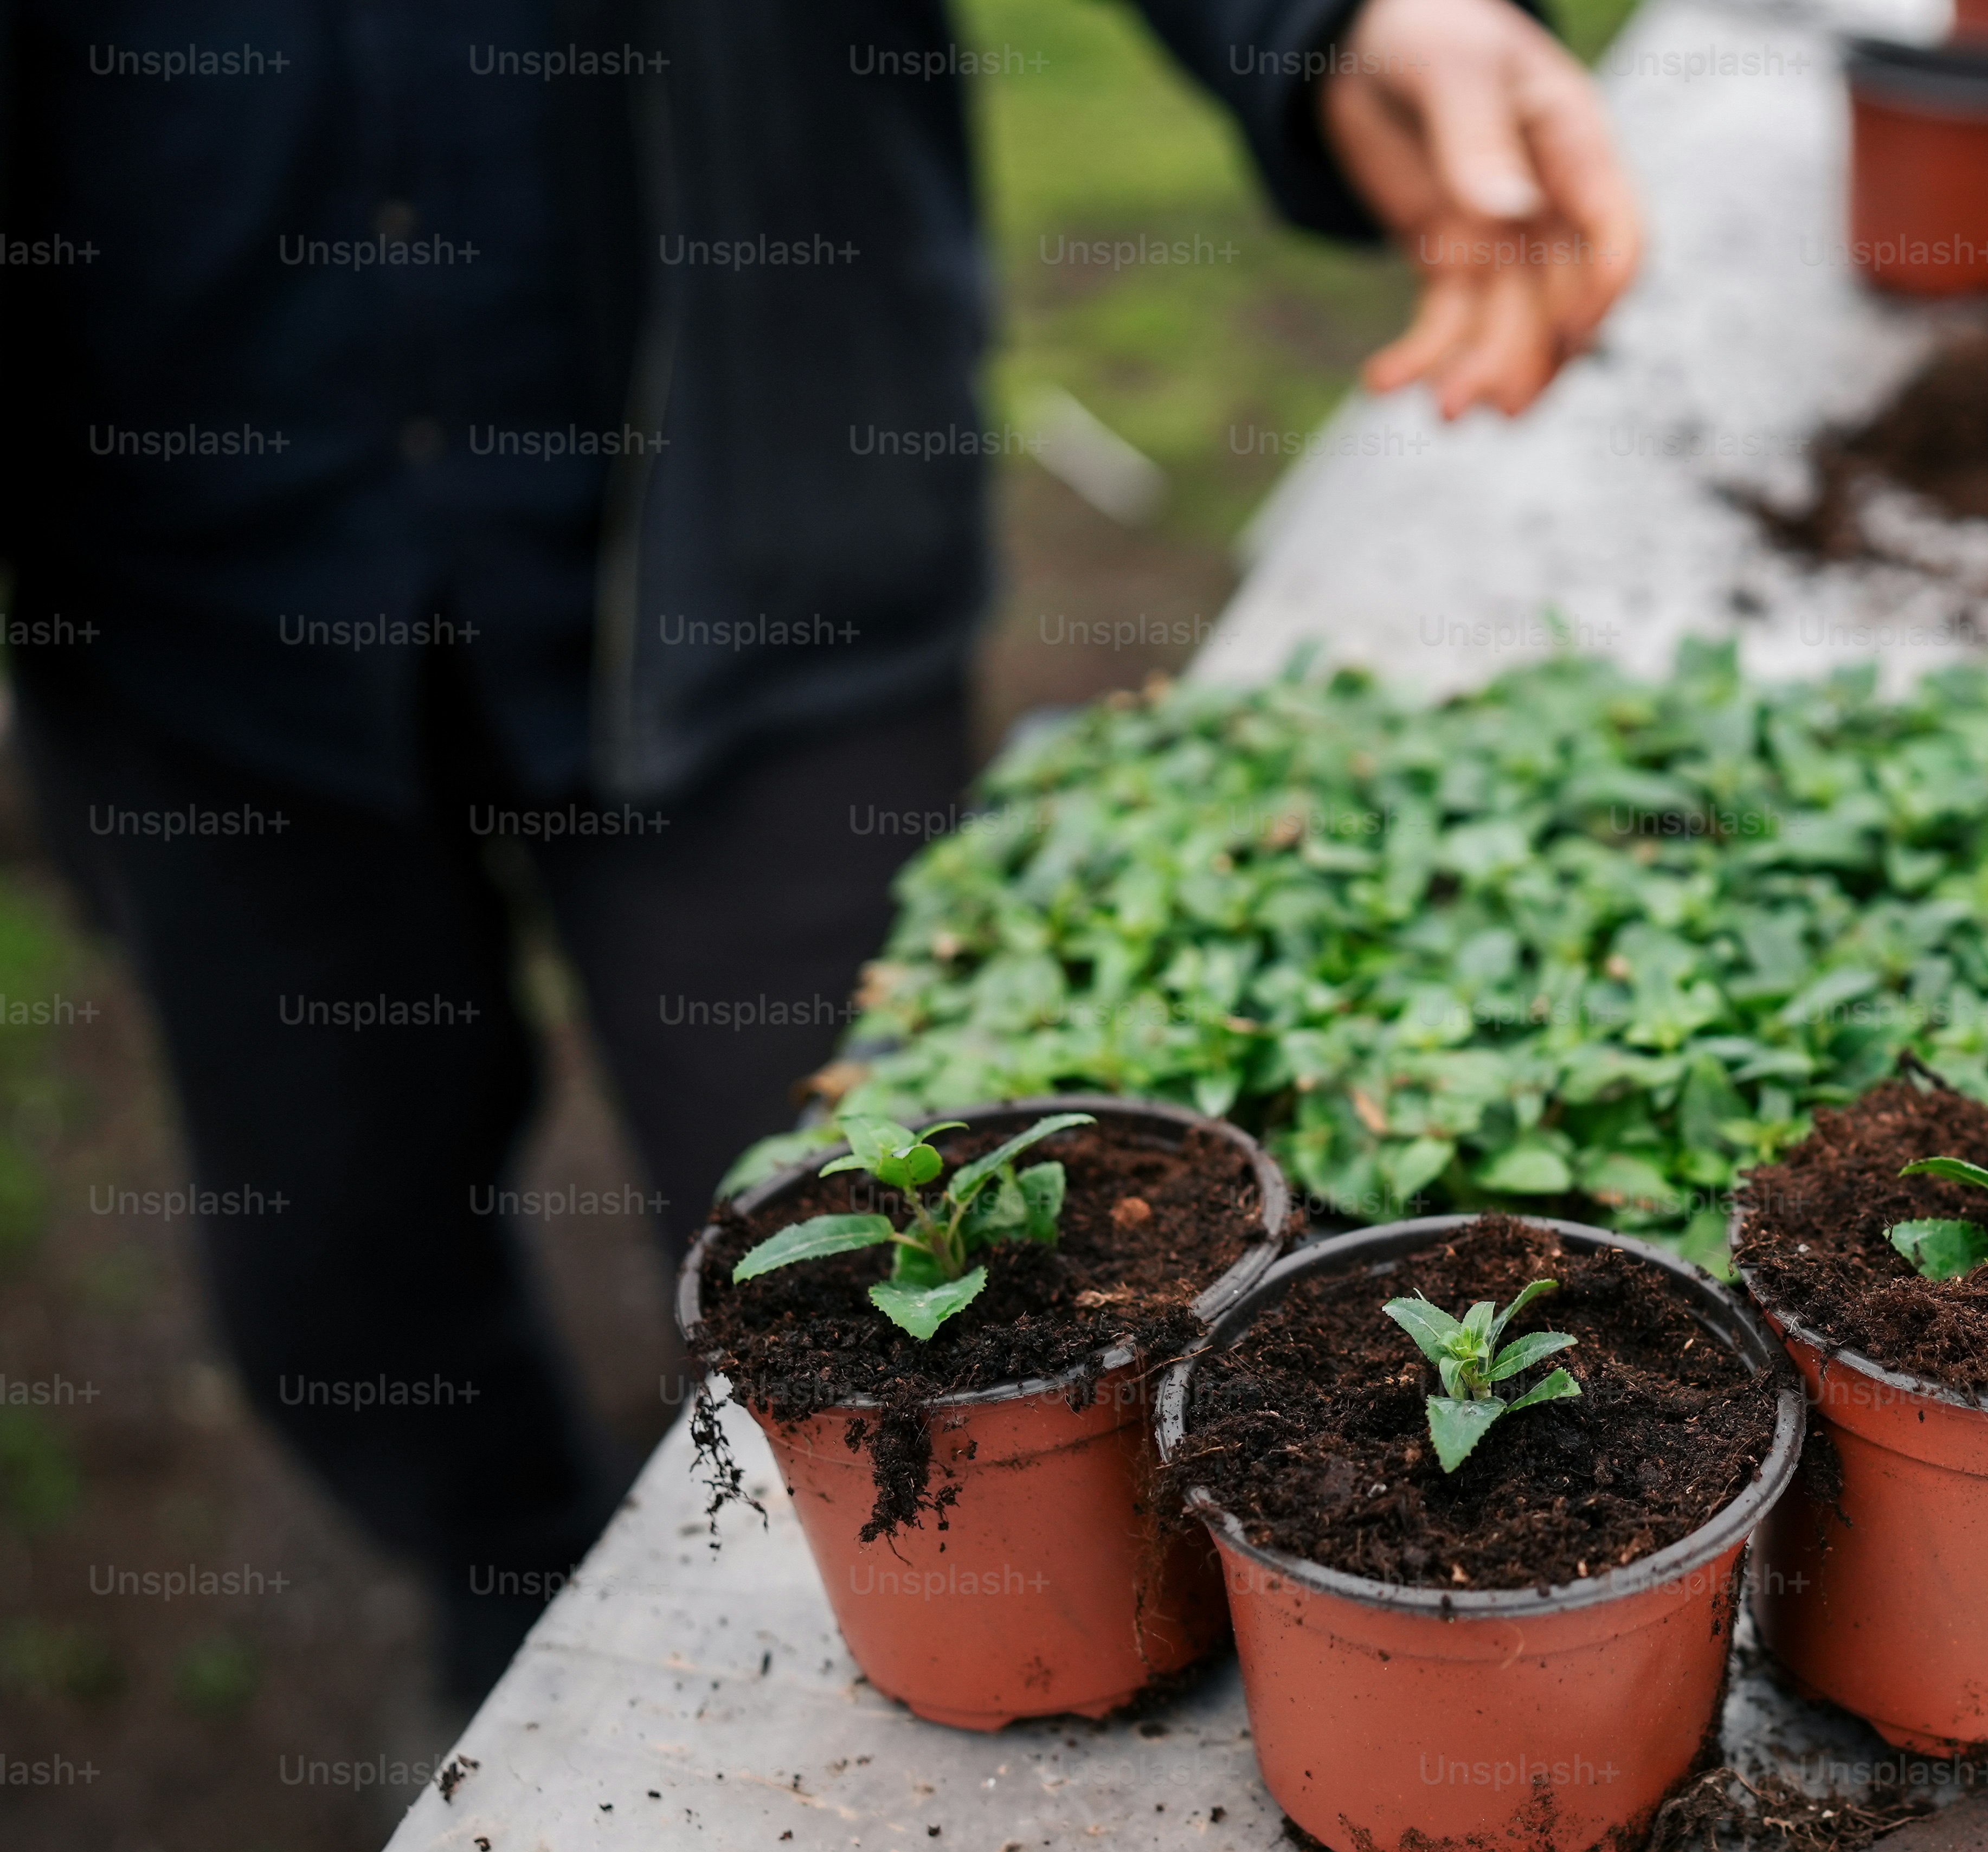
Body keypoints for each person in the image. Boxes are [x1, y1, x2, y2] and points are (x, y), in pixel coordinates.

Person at [0, 0, 1643, 1706]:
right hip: (204, 613)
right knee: (334, 1274)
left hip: (761, 550)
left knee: (882, 1258)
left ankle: (936, 1649)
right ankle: (503, 1578)